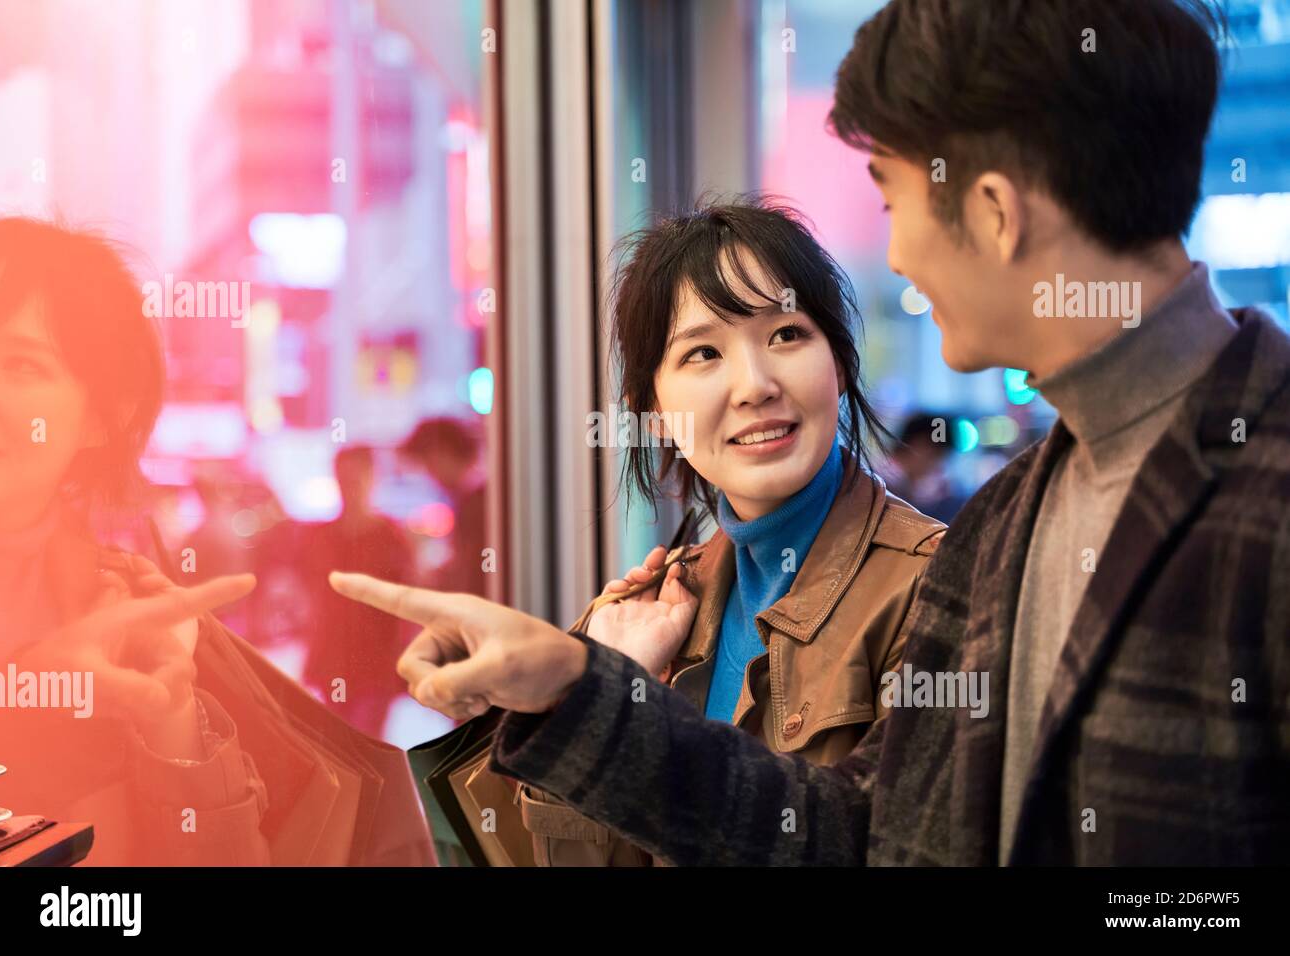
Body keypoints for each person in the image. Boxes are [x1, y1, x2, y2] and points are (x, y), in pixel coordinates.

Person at [332, 0, 1290, 865]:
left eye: (891, 198)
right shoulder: (1017, 516)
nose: (901, 252)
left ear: (994, 213)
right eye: (699, 355)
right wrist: (582, 686)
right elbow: (866, 835)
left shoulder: (1253, 496)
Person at [487, 199, 944, 865]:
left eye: (786, 335)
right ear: (654, 413)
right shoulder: (643, 612)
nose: (754, 385)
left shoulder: (937, 585)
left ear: (839, 363)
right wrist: (599, 696)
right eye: (703, 352)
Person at [0, 217, 433, 865]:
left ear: (101, 417)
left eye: (22, 363)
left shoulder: (125, 605)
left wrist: (171, 724)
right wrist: (29, 698)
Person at [301, 445, 416, 738]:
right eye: (344, 479)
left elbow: (406, 604)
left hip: (375, 665)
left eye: (356, 479)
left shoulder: (390, 537)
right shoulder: (322, 537)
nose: (349, 488)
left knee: (365, 746)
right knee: (339, 745)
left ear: (371, 479)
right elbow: (314, 601)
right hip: (334, 660)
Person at [397, 417, 488, 597]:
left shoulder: (476, 506)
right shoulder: (477, 500)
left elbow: (470, 581)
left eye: (427, 463)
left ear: (442, 454)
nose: (429, 475)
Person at [882, 412, 966, 522]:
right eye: (933, 453)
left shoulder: (940, 494)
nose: (936, 463)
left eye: (941, 455)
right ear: (915, 444)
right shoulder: (880, 485)